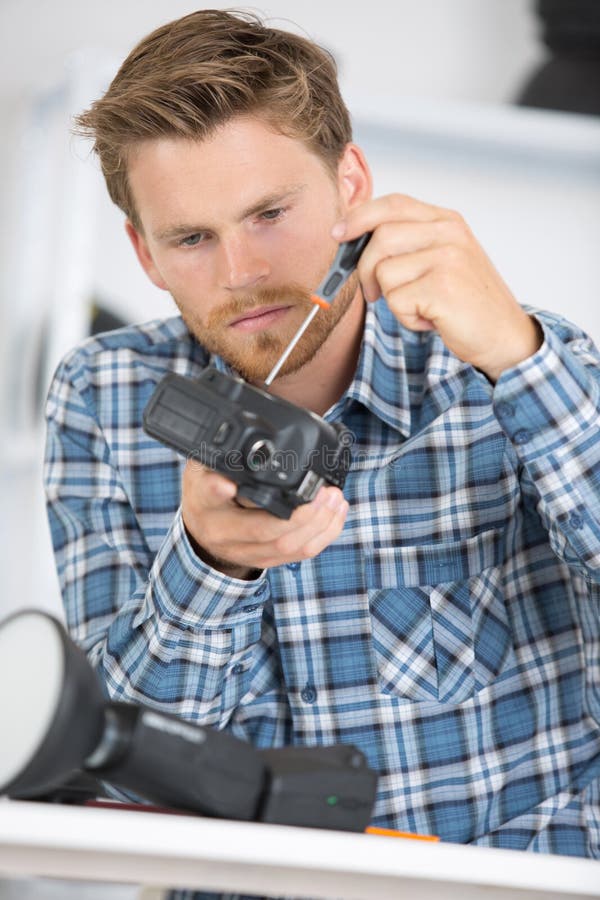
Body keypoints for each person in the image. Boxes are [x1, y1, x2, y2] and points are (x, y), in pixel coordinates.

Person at [45, 7, 600, 871]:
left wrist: (519, 360)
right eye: (191, 238)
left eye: (269, 213)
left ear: (351, 183)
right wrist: (208, 568)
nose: (241, 273)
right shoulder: (103, 396)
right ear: (144, 255)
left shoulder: (509, 361)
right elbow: (119, 789)